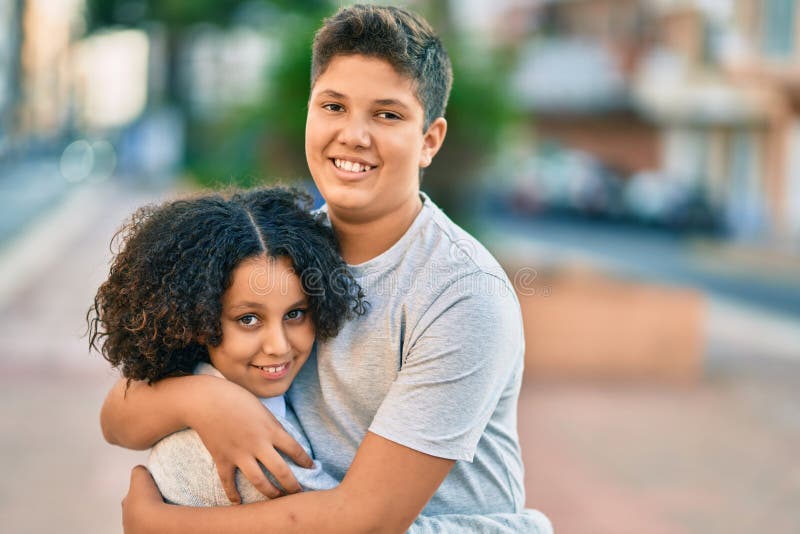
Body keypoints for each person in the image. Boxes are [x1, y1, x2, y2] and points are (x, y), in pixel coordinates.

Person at [104, 5, 553, 533]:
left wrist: (164, 526)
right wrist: (201, 398)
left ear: (429, 140)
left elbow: (366, 522)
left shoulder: (461, 295)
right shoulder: (279, 251)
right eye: (334, 106)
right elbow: (117, 418)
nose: (353, 135)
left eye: (387, 115)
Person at [88, 187, 360, 505]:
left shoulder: (197, 378)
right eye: (248, 319)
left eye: (295, 314)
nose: (278, 345)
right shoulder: (251, 456)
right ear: (198, 320)